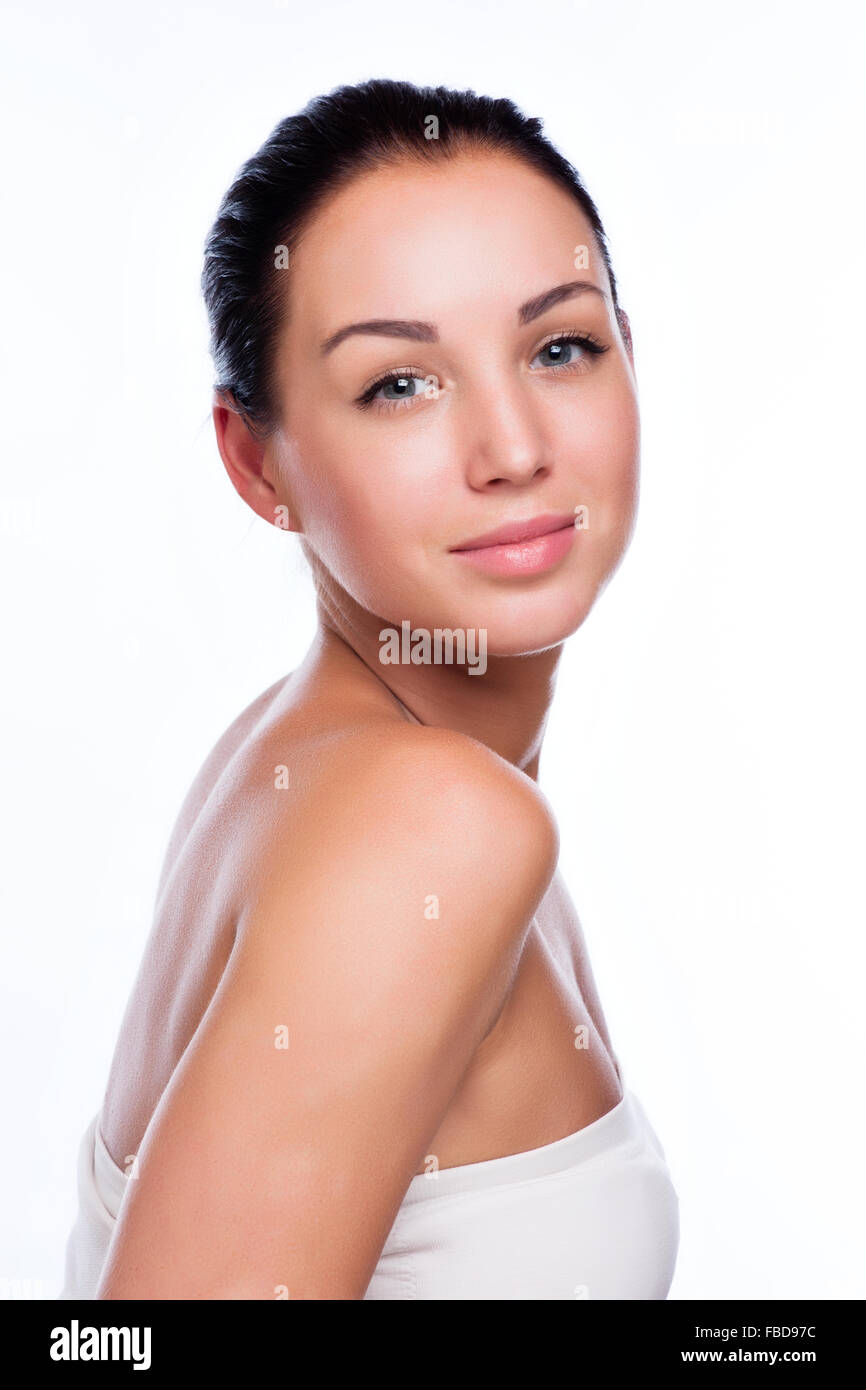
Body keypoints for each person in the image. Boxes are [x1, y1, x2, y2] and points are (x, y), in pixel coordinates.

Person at [60, 76, 679, 1300]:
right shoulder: (428, 823)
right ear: (257, 462)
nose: (512, 450)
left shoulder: (303, 758)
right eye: (398, 383)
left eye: (560, 346)